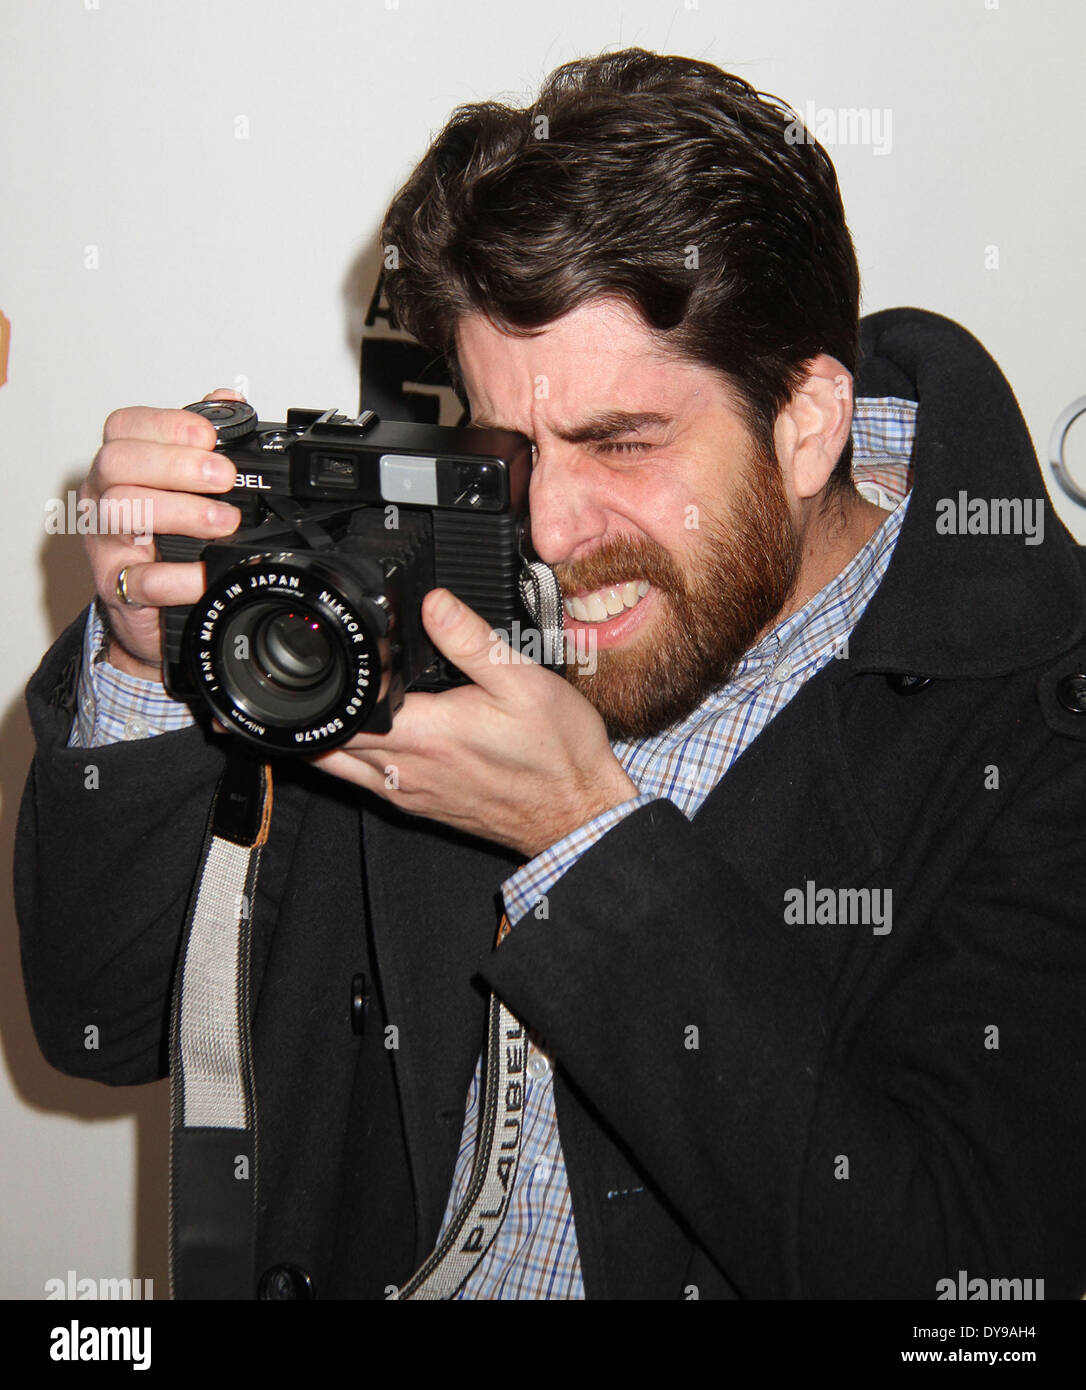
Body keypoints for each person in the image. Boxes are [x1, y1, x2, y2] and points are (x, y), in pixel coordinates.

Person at [16, 48, 1086, 1300]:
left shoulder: (1037, 722)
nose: (554, 532)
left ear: (809, 422)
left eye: (622, 442)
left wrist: (587, 846)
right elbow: (100, 1022)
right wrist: (151, 665)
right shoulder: (425, 581)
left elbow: (971, 1287)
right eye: (505, 450)